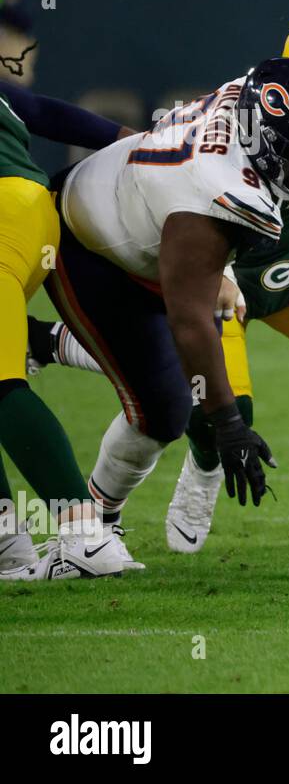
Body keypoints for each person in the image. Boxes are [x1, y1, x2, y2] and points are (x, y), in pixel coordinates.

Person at [37, 59, 289, 572]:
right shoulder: (215, 190)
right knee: (160, 409)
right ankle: (84, 539)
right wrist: (229, 426)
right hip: (88, 246)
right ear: (262, 138)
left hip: (142, 221)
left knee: (169, 385)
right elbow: (189, 323)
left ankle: (45, 346)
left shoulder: (250, 99)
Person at [0, 81, 129, 580]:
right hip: (35, 210)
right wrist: (128, 136)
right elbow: (40, 110)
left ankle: (86, 539)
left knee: (3, 386)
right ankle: (8, 543)